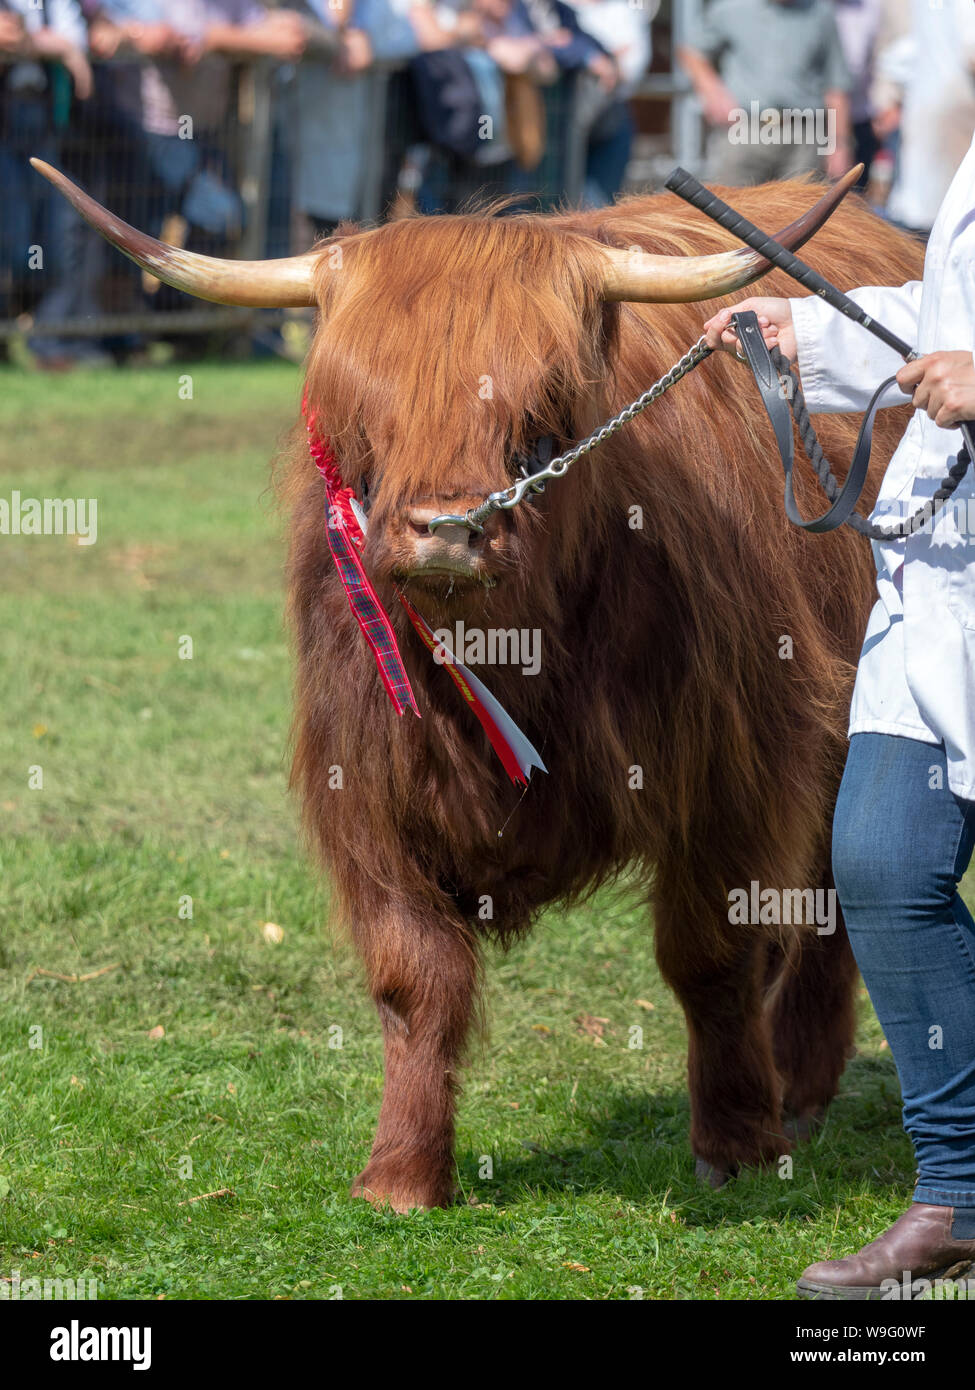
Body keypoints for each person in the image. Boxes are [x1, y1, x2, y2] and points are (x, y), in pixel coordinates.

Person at [703, 124, 975, 1299]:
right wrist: (806, 334)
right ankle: (957, 1196)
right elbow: (948, 314)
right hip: (946, 580)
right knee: (877, 860)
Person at [677, 0, 854, 186]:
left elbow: (836, 85)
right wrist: (712, 91)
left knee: (800, 210)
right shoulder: (731, 8)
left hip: (803, 135)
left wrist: (839, 145)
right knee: (730, 208)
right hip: (744, 130)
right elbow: (691, 51)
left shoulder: (820, 13)